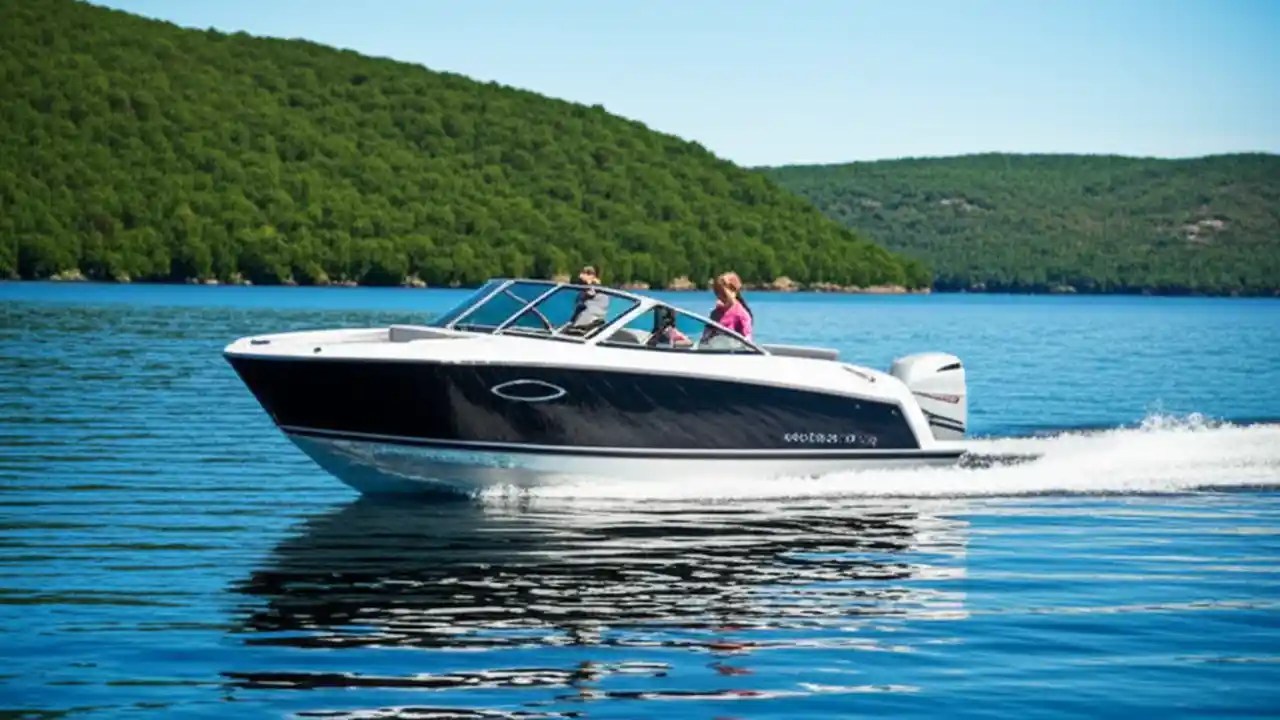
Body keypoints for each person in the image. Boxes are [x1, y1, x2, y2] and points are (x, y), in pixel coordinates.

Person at [702, 271, 754, 343]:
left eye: (723, 295)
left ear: (734, 292)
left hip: (734, 350)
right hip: (715, 348)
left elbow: (748, 337)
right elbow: (706, 336)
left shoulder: (742, 314)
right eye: (717, 294)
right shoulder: (715, 313)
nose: (720, 297)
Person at [565, 265, 610, 334]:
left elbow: (588, 296)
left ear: (590, 275)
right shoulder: (592, 287)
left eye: (583, 274)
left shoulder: (595, 287)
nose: (580, 276)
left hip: (590, 319)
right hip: (591, 317)